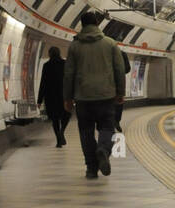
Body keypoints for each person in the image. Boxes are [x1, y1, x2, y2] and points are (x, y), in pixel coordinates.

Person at [63, 10, 128, 179]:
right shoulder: (110, 44)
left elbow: (68, 74)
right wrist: (120, 92)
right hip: (106, 96)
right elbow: (119, 70)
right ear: (98, 24)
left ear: (82, 25)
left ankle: (92, 168)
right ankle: (103, 149)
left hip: (83, 98)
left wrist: (67, 98)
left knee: (86, 132)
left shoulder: (74, 46)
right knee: (107, 127)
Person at [37, 46, 70, 147]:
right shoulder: (65, 64)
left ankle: (58, 139)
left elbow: (43, 83)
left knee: (54, 119)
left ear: (49, 54)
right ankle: (62, 131)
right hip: (63, 95)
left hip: (50, 96)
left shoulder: (46, 65)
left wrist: (39, 100)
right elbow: (69, 80)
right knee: (66, 115)